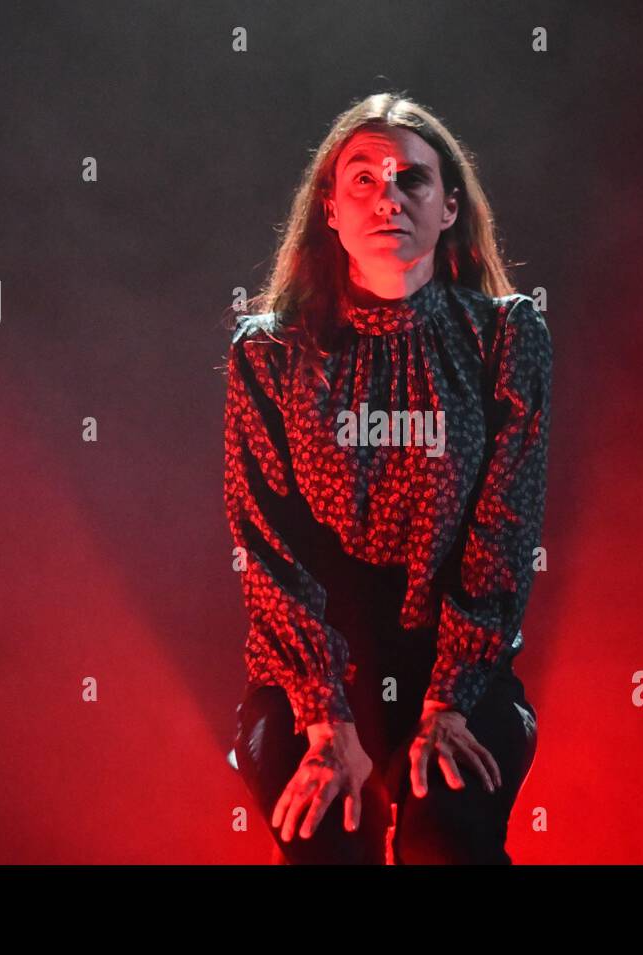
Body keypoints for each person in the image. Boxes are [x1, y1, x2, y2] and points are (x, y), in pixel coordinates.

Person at [221, 91, 551, 864]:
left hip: (459, 679)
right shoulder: (267, 356)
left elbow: (506, 528)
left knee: (451, 835)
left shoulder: (506, 337)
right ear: (329, 210)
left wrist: (448, 700)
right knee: (326, 837)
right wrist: (326, 719)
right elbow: (268, 549)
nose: (389, 196)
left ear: (448, 209)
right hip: (309, 683)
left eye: (413, 180)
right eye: (363, 178)